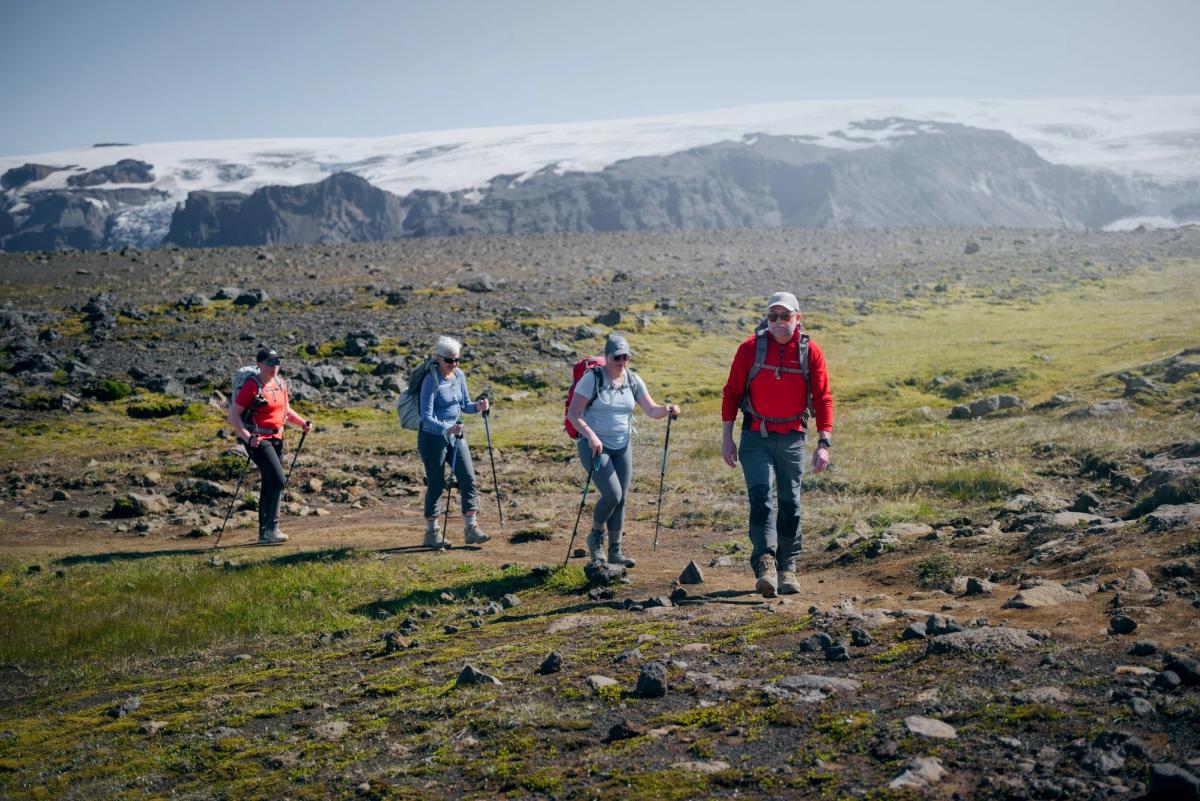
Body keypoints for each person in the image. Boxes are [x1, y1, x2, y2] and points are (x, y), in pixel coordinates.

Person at [721, 292, 833, 598]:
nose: (779, 323)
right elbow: (731, 393)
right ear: (767, 319)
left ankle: (788, 567)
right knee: (761, 499)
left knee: (790, 502)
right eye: (773, 317)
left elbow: (823, 398)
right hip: (756, 437)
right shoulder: (749, 349)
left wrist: (824, 442)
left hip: (794, 437)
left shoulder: (811, 352)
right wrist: (727, 439)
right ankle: (766, 563)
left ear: (798, 317)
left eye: (785, 317)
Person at [566, 334, 680, 568]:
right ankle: (595, 539)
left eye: (626, 357)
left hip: (622, 444)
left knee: (622, 499)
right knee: (612, 495)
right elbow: (573, 414)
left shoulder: (633, 379)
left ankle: (616, 550)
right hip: (594, 445)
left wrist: (667, 409)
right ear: (606, 357)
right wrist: (592, 437)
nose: (622, 361)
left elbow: (651, 410)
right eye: (617, 357)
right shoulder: (592, 379)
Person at [227, 347, 311, 544]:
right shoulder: (251, 386)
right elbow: (233, 415)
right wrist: (248, 438)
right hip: (258, 441)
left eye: (277, 362)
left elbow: (287, 410)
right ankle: (271, 529)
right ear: (260, 364)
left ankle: (266, 533)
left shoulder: (281, 384)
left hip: (278, 438)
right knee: (279, 480)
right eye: (270, 362)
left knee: (270, 482)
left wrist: (302, 423)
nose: (275, 366)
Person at [417, 336, 491, 548]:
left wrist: (478, 406)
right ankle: (432, 533)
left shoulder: (459, 375)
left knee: (468, 478)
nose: (454, 365)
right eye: (449, 361)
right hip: (432, 437)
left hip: (456, 436)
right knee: (437, 483)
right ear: (438, 358)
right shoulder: (431, 380)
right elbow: (426, 417)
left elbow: (465, 405)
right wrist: (446, 428)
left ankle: (472, 529)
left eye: (457, 360)